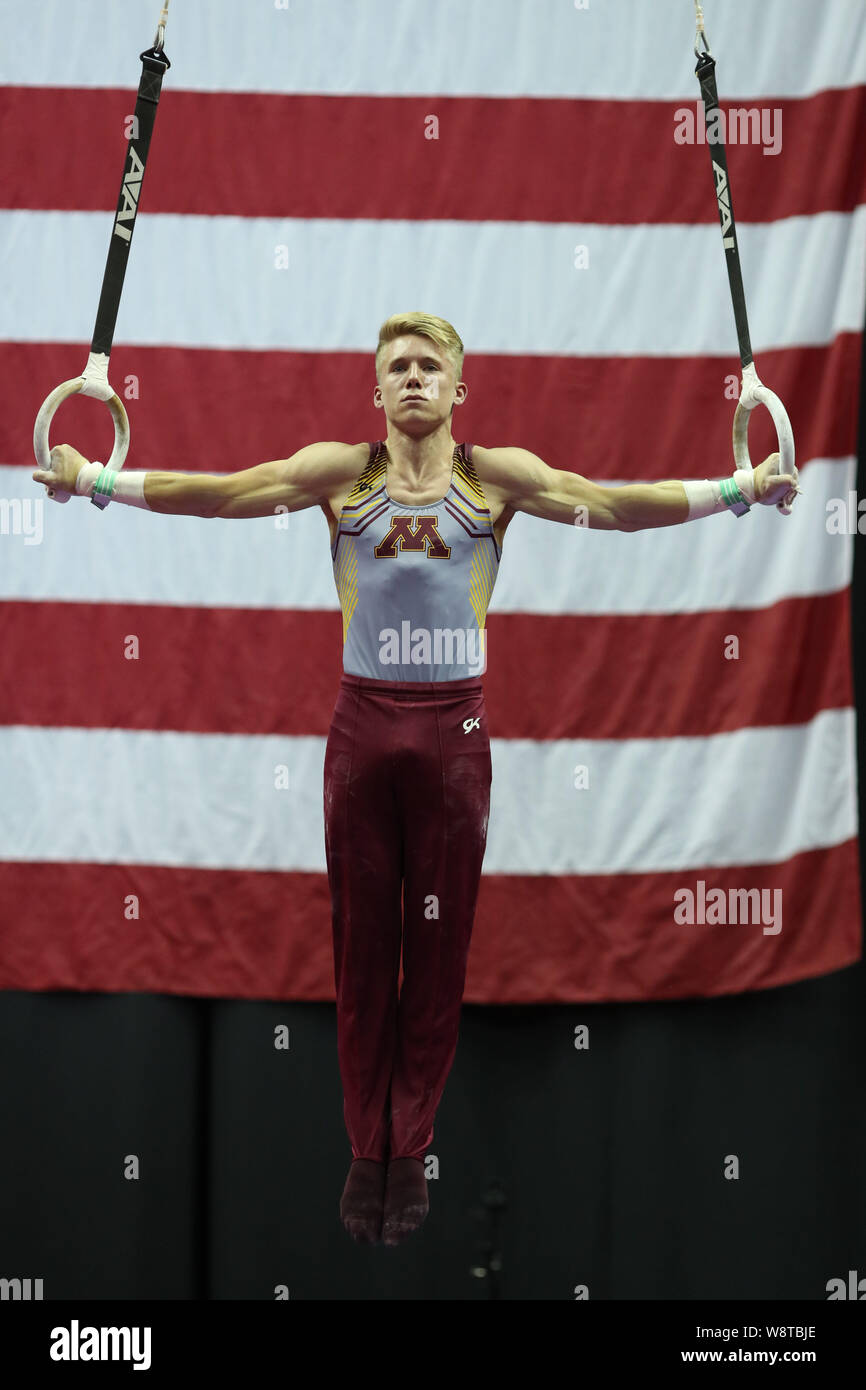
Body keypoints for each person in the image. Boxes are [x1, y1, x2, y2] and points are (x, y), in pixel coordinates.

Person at [33, 310, 800, 1247]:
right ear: (376, 390)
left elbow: (613, 503)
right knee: (363, 956)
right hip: (362, 729)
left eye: (428, 365)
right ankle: (370, 1149)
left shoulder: (497, 478)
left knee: (436, 963)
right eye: (395, 365)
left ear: (457, 388)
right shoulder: (338, 472)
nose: (411, 377)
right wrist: (95, 480)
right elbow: (225, 493)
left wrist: (741, 488)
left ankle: (414, 1143)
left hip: (454, 737)